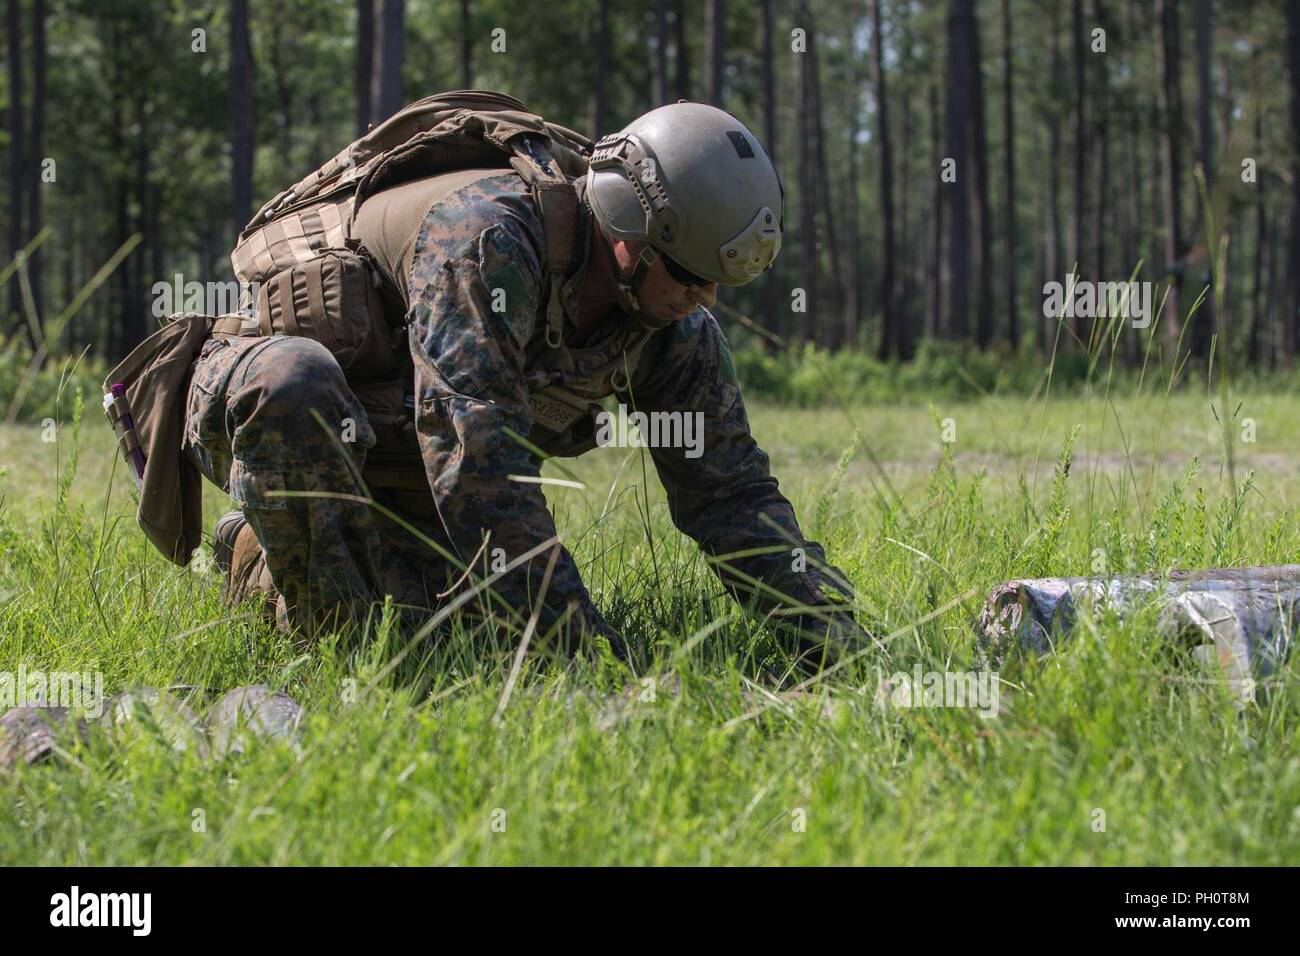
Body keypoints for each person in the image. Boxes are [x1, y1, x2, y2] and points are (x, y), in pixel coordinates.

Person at [189, 101, 867, 669]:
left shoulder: (671, 324)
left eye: (720, 283)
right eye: (690, 276)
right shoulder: (486, 240)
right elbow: (479, 467)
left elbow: (732, 494)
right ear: (631, 236)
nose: (707, 299)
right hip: (262, 404)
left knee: (446, 636)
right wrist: (589, 658)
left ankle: (264, 550)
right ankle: (310, 617)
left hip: (404, 458)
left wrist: (832, 638)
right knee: (367, 645)